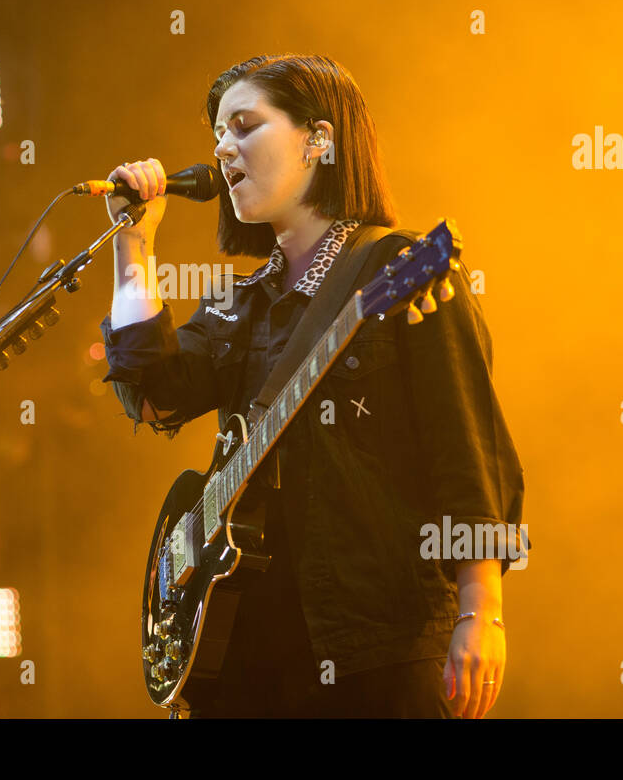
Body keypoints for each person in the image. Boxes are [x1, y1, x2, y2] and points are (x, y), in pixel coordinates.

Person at [98, 53, 526, 718]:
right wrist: (134, 250)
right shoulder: (236, 306)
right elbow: (153, 395)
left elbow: (466, 448)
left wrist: (484, 611)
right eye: (217, 134)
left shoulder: (400, 266)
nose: (223, 149)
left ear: (319, 140)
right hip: (244, 655)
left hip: (376, 644)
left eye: (244, 126)